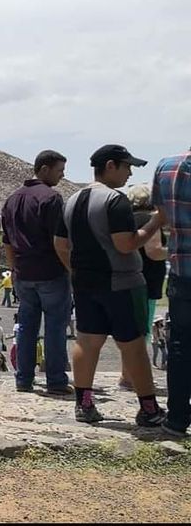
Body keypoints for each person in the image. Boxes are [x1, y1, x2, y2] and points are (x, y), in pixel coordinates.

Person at [54, 144, 165, 426]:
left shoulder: (71, 200)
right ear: (111, 166)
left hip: (85, 282)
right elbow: (126, 243)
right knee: (133, 345)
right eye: (127, 167)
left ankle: (84, 403)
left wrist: (75, 270)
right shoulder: (115, 200)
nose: (129, 174)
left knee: (87, 341)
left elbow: (60, 244)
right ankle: (149, 408)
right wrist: (156, 222)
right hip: (122, 282)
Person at [1, 149, 72, 394]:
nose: (62, 176)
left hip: (22, 273)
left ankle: (24, 379)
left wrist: (14, 269)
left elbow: (7, 241)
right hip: (50, 270)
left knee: (27, 328)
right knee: (54, 327)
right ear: (44, 169)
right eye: (59, 170)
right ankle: (55, 380)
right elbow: (59, 240)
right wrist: (71, 269)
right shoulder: (51, 198)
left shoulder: (11, 199)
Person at [152, 145, 191, 437]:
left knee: (179, 346)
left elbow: (162, 216)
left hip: (182, 271)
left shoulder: (167, 167)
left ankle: (177, 417)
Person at [118, 184, 167, 390]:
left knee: (129, 329)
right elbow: (154, 251)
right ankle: (132, 378)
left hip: (126, 280)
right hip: (146, 281)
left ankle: (126, 375)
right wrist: (174, 250)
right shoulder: (149, 221)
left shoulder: (125, 220)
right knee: (141, 331)